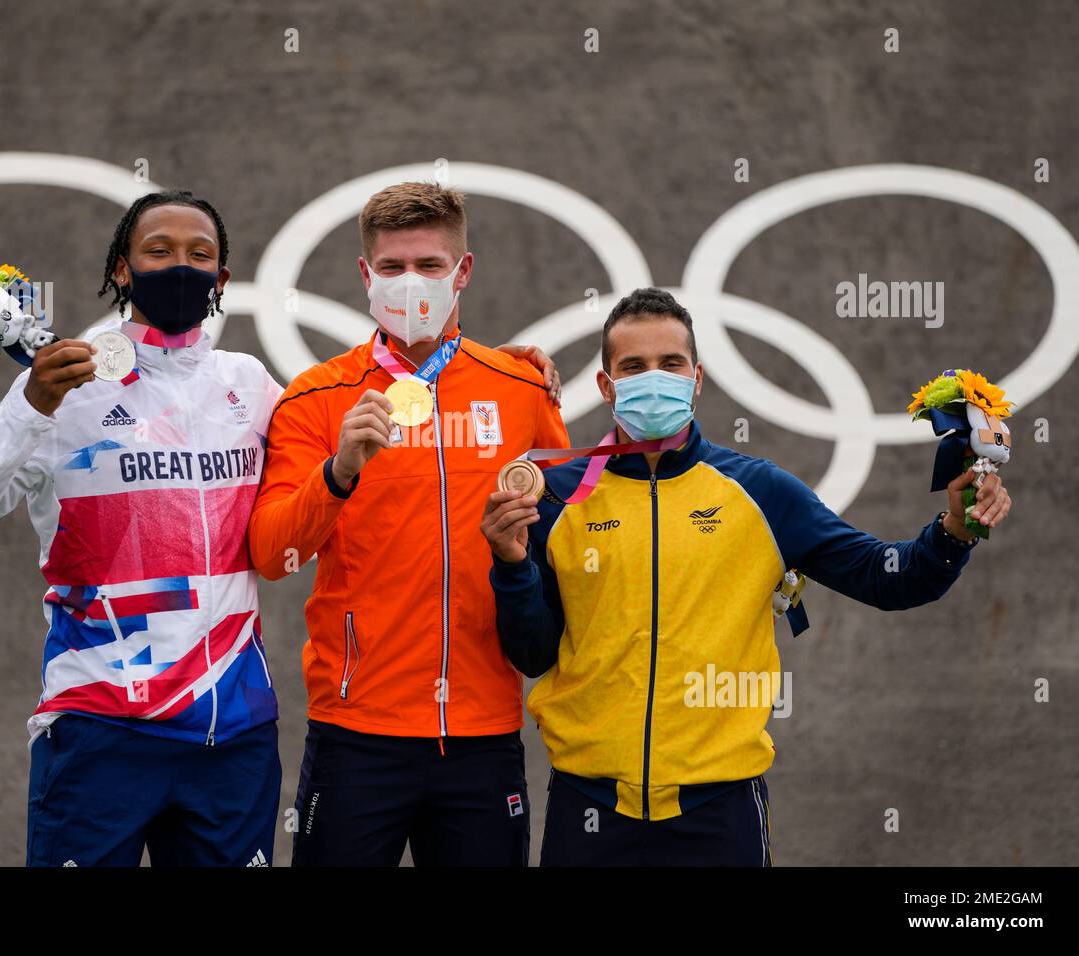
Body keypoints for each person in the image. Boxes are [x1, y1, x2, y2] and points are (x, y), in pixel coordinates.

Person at [481, 287, 1012, 866]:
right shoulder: (558, 495)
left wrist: (955, 531)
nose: (653, 378)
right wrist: (511, 566)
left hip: (721, 813)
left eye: (670, 364)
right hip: (588, 809)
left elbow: (892, 579)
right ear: (607, 386)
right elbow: (533, 654)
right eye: (633, 367)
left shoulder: (760, 492)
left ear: (697, 378)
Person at [0, 190, 285, 867]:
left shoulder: (251, 385)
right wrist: (27, 408)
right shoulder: (63, 387)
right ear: (121, 269)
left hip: (232, 734)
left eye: (200, 255)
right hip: (101, 731)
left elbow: (334, 458)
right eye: (158, 251)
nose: (181, 266)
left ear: (222, 281)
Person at [248, 181, 570, 866]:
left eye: (430, 265)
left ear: (464, 271)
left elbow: (560, 546)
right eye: (392, 268)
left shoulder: (520, 390)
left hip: (483, 733)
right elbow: (274, 554)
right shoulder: (315, 397)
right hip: (357, 732)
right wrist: (336, 475)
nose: (411, 283)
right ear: (365, 276)